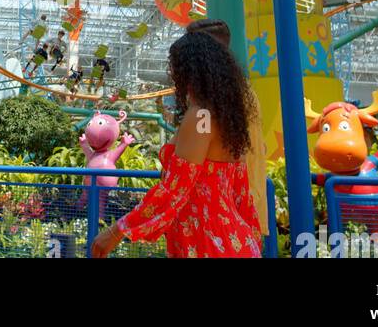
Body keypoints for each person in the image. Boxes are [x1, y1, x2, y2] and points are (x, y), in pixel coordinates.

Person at [91, 32, 262, 258]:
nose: (172, 74)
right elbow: (241, 196)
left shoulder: (201, 117)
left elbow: (175, 189)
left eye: (175, 66)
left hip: (207, 243)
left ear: (190, 70)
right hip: (232, 241)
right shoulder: (225, 120)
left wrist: (116, 231)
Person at [184, 18, 268, 234]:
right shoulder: (242, 90)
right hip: (242, 207)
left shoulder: (215, 98)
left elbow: (195, 158)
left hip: (222, 214)